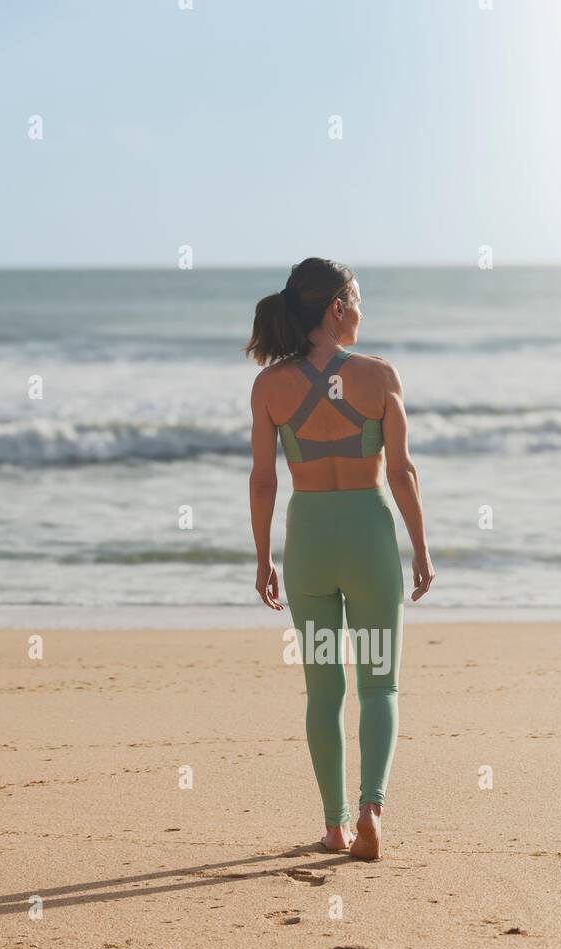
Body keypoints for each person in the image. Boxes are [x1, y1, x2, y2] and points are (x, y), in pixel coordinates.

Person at [246, 258, 434, 861]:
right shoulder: (379, 377)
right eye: (357, 300)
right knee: (379, 684)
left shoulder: (269, 387)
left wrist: (262, 559)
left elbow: (261, 484)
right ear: (337, 308)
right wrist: (422, 550)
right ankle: (370, 810)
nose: (361, 311)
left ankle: (333, 828)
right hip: (368, 544)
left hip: (309, 548)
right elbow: (402, 472)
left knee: (322, 692)